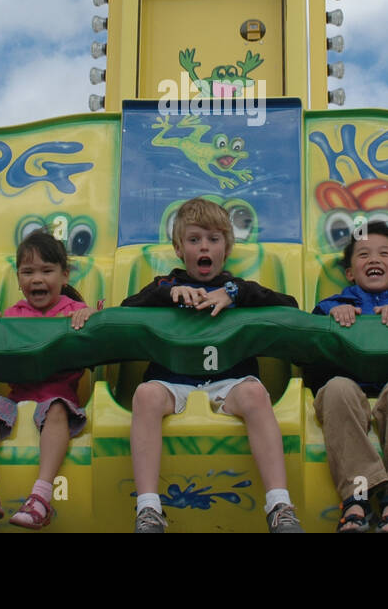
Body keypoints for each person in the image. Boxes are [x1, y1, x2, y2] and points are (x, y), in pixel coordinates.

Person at [121, 197, 303, 533]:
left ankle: (280, 505)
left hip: (228, 382)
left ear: (226, 248)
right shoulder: (165, 285)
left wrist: (233, 294)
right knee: (144, 395)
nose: (204, 246)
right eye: (194, 240)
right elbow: (126, 309)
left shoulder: (238, 288)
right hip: (172, 382)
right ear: (179, 248)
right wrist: (172, 294)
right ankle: (148, 509)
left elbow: (288, 306)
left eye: (213, 239)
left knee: (254, 394)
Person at [305, 221, 388, 533]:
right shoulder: (332, 307)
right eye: (363, 254)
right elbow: (310, 347)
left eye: (384, 254)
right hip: (351, 391)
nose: (374, 259)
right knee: (336, 388)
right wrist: (332, 320)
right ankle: (356, 498)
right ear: (350, 273)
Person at [0, 230, 94, 529]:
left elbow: (99, 330)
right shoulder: (13, 313)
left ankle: (41, 497)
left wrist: (89, 317)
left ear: (64, 275)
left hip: (58, 399)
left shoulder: (75, 311)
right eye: (28, 272)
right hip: (17, 400)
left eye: (47, 271)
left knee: (57, 408)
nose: (37, 279)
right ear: (18, 278)